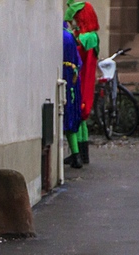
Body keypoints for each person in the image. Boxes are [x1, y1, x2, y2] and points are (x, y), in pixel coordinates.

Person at [64, 1, 100, 164]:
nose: (74, 25)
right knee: (82, 116)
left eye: (76, 21)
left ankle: (77, 154)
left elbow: (74, 51)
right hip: (86, 79)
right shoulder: (93, 37)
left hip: (78, 79)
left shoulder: (83, 38)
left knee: (77, 114)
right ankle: (84, 155)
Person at [63, 24, 84, 169]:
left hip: (64, 76)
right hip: (74, 78)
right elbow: (80, 62)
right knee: (71, 115)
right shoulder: (69, 35)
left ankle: (76, 157)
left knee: (64, 115)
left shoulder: (60, 35)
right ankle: (77, 154)